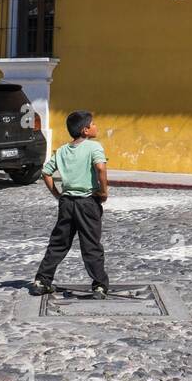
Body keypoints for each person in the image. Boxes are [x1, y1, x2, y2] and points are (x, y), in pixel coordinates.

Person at [31, 110, 111, 297]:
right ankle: (99, 284)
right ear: (85, 130)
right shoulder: (94, 147)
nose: (96, 126)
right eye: (93, 124)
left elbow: (46, 172)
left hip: (66, 202)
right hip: (87, 202)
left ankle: (42, 280)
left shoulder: (62, 151)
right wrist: (104, 191)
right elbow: (100, 167)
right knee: (91, 244)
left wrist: (57, 194)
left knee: (59, 242)